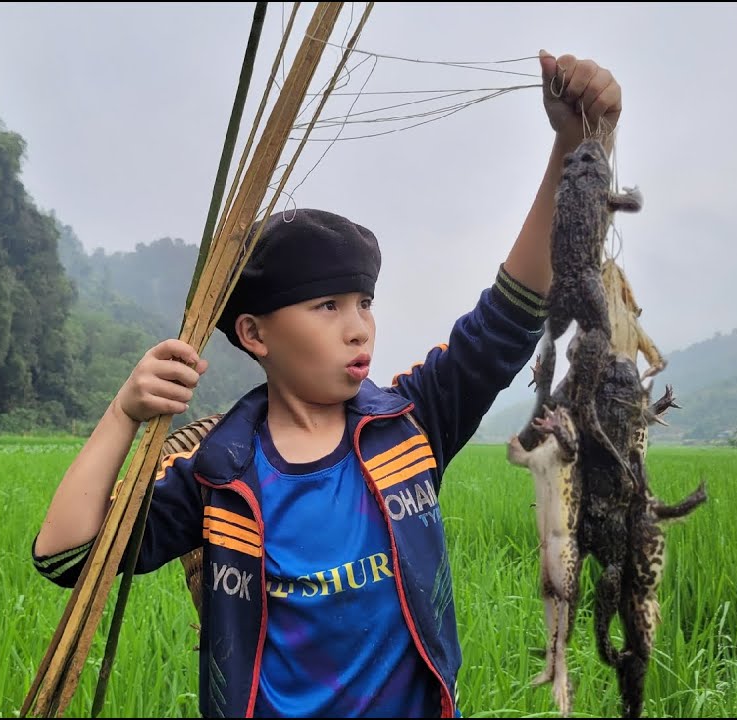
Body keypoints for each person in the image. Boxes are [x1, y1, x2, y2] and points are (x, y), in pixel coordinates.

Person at [30, 50, 623, 719]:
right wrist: (123, 414)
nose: (359, 328)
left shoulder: (411, 422)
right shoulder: (218, 473)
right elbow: (66, 558)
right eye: (328, 307)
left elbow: (511, 312)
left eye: (363, 303)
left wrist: (571, 147)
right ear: (255, 335)